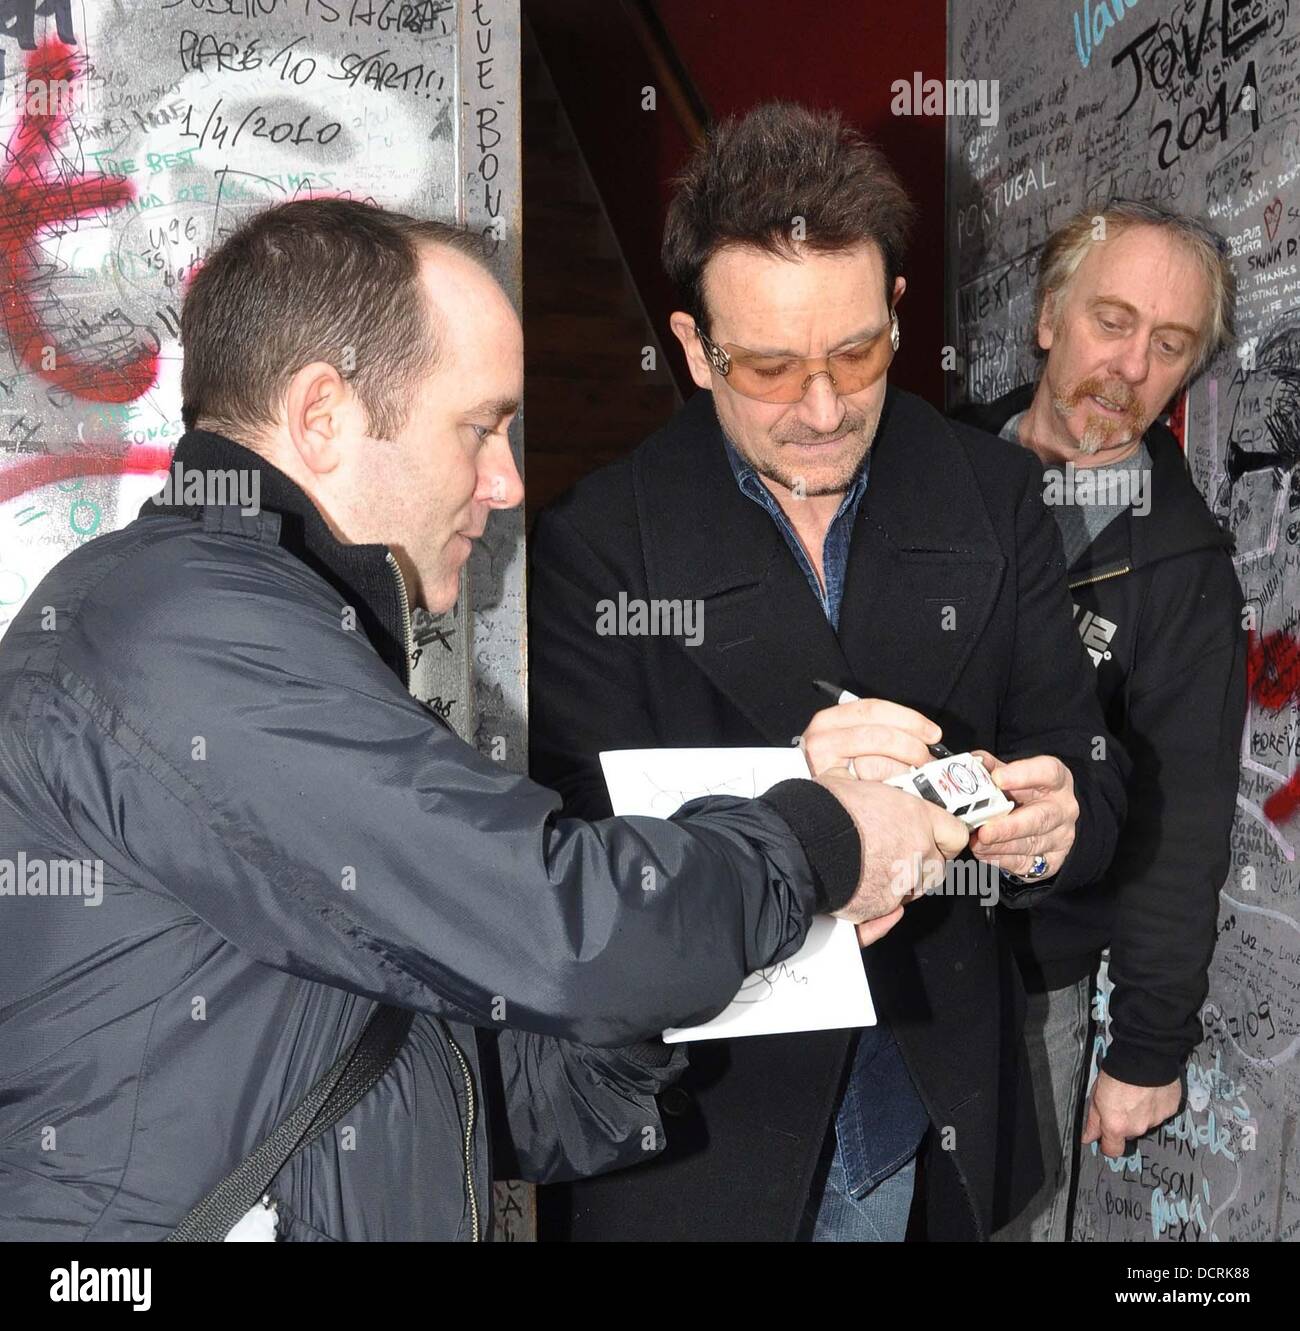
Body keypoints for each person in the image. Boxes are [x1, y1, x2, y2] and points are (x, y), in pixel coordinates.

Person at [0, 198, 930, 1241]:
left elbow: (475, 1071)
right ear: (321, 416)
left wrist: (696, 960)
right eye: (479, 425)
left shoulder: (261, 632)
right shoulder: (187, 636)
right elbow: (563, 933)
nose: (506, 480)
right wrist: (819, 839)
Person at [528, 102, 1129, 1243]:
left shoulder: (990, 498)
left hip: (919, 1105)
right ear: (695, 348)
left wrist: (1051, 821)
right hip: (699, 1136)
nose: (819, 408)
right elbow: (568, 873)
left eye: (854, 353)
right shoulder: (599, 540)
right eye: (766, 365)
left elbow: (1094, 790)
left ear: (899, 315)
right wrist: (798, 791)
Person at [957, 200, 1248, 1241]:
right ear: (1048, 318)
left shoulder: (1182, 569)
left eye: (1167, 344)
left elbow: (1181, 821)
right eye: (1109, 320)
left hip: (1025, 988)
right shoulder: (922, 465)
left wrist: (1146, 1049)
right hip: (856, 942)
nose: (1129, 365)